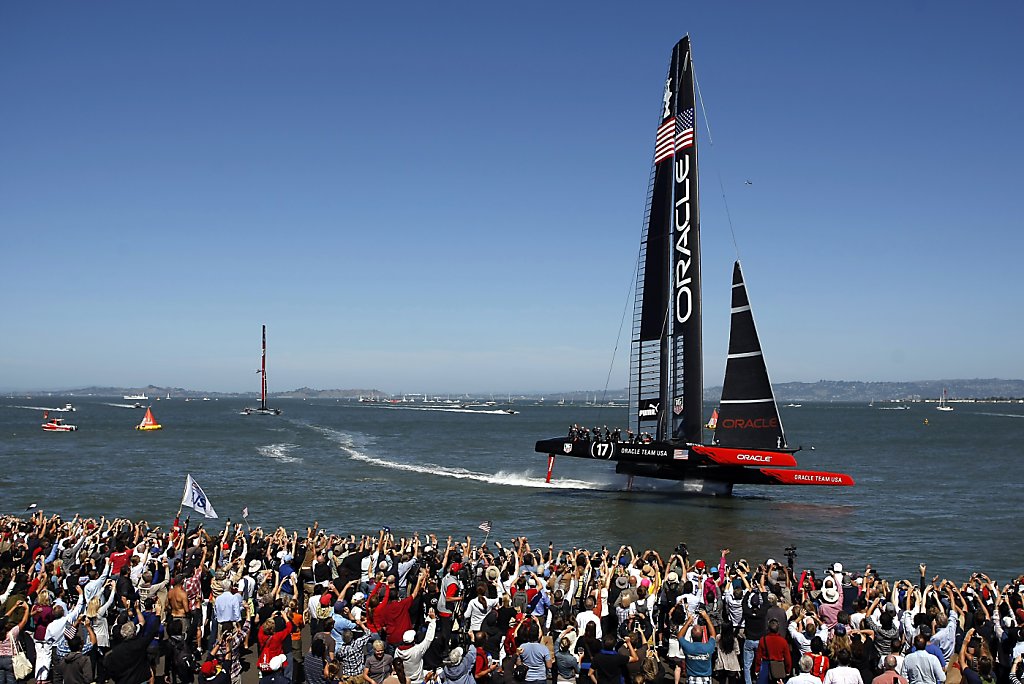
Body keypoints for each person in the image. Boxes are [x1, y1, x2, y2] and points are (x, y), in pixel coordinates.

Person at [679, 609, 717, 684]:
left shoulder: (688, 647)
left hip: (691, 679)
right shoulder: (708, 647)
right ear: (703, 635)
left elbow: (680, 636)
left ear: (691, 635)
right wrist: (707, 618)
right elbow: (713, 635)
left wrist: (688, 622)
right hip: (706, 679)